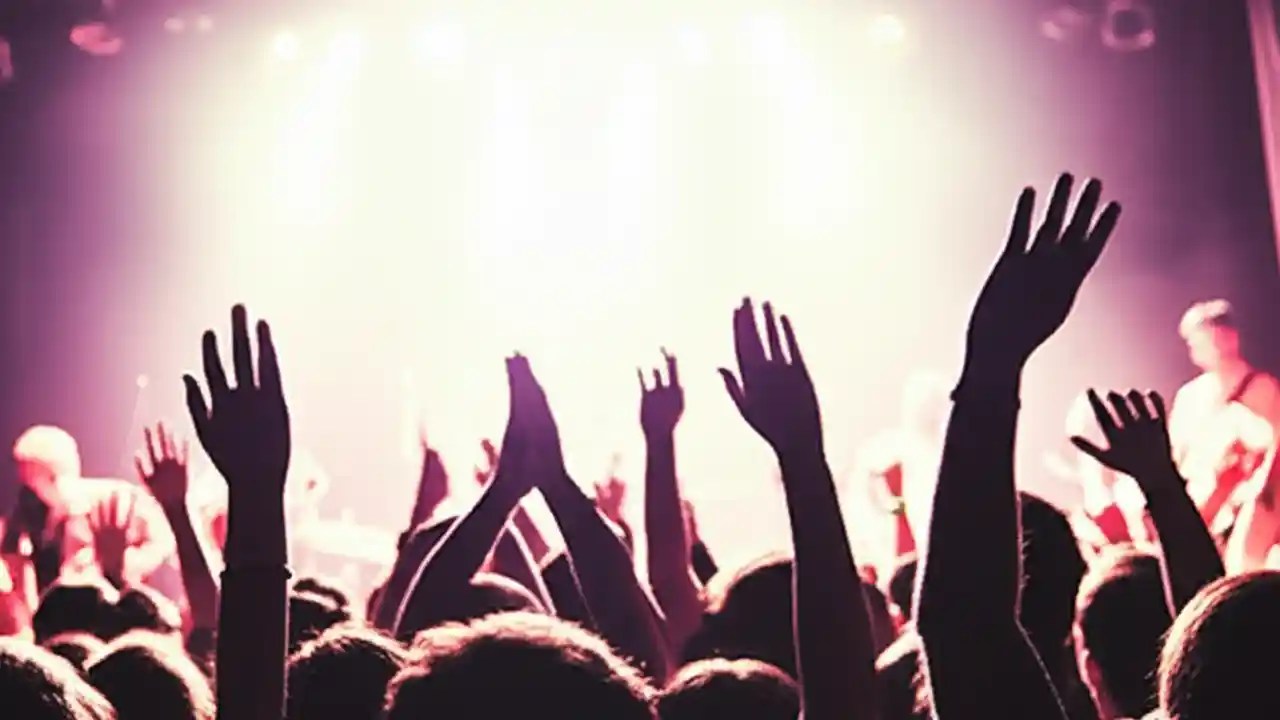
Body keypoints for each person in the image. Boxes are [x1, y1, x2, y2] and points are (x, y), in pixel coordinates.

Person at [2, 425, 175, 595]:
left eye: (33, 480)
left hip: (121, 609)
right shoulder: (40, 522)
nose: (29, 489)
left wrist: (122, 567)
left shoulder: (118, 497)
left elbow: (164, 542)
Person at [1167, 300, 1280, 539]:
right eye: (1193, 341)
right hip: (1198, 512)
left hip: (1243, 515)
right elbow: (1177, 455)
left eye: (1206, 338)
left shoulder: (1264, 389)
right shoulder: (1189, 396)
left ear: (1231, 336)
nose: (1198, 347)